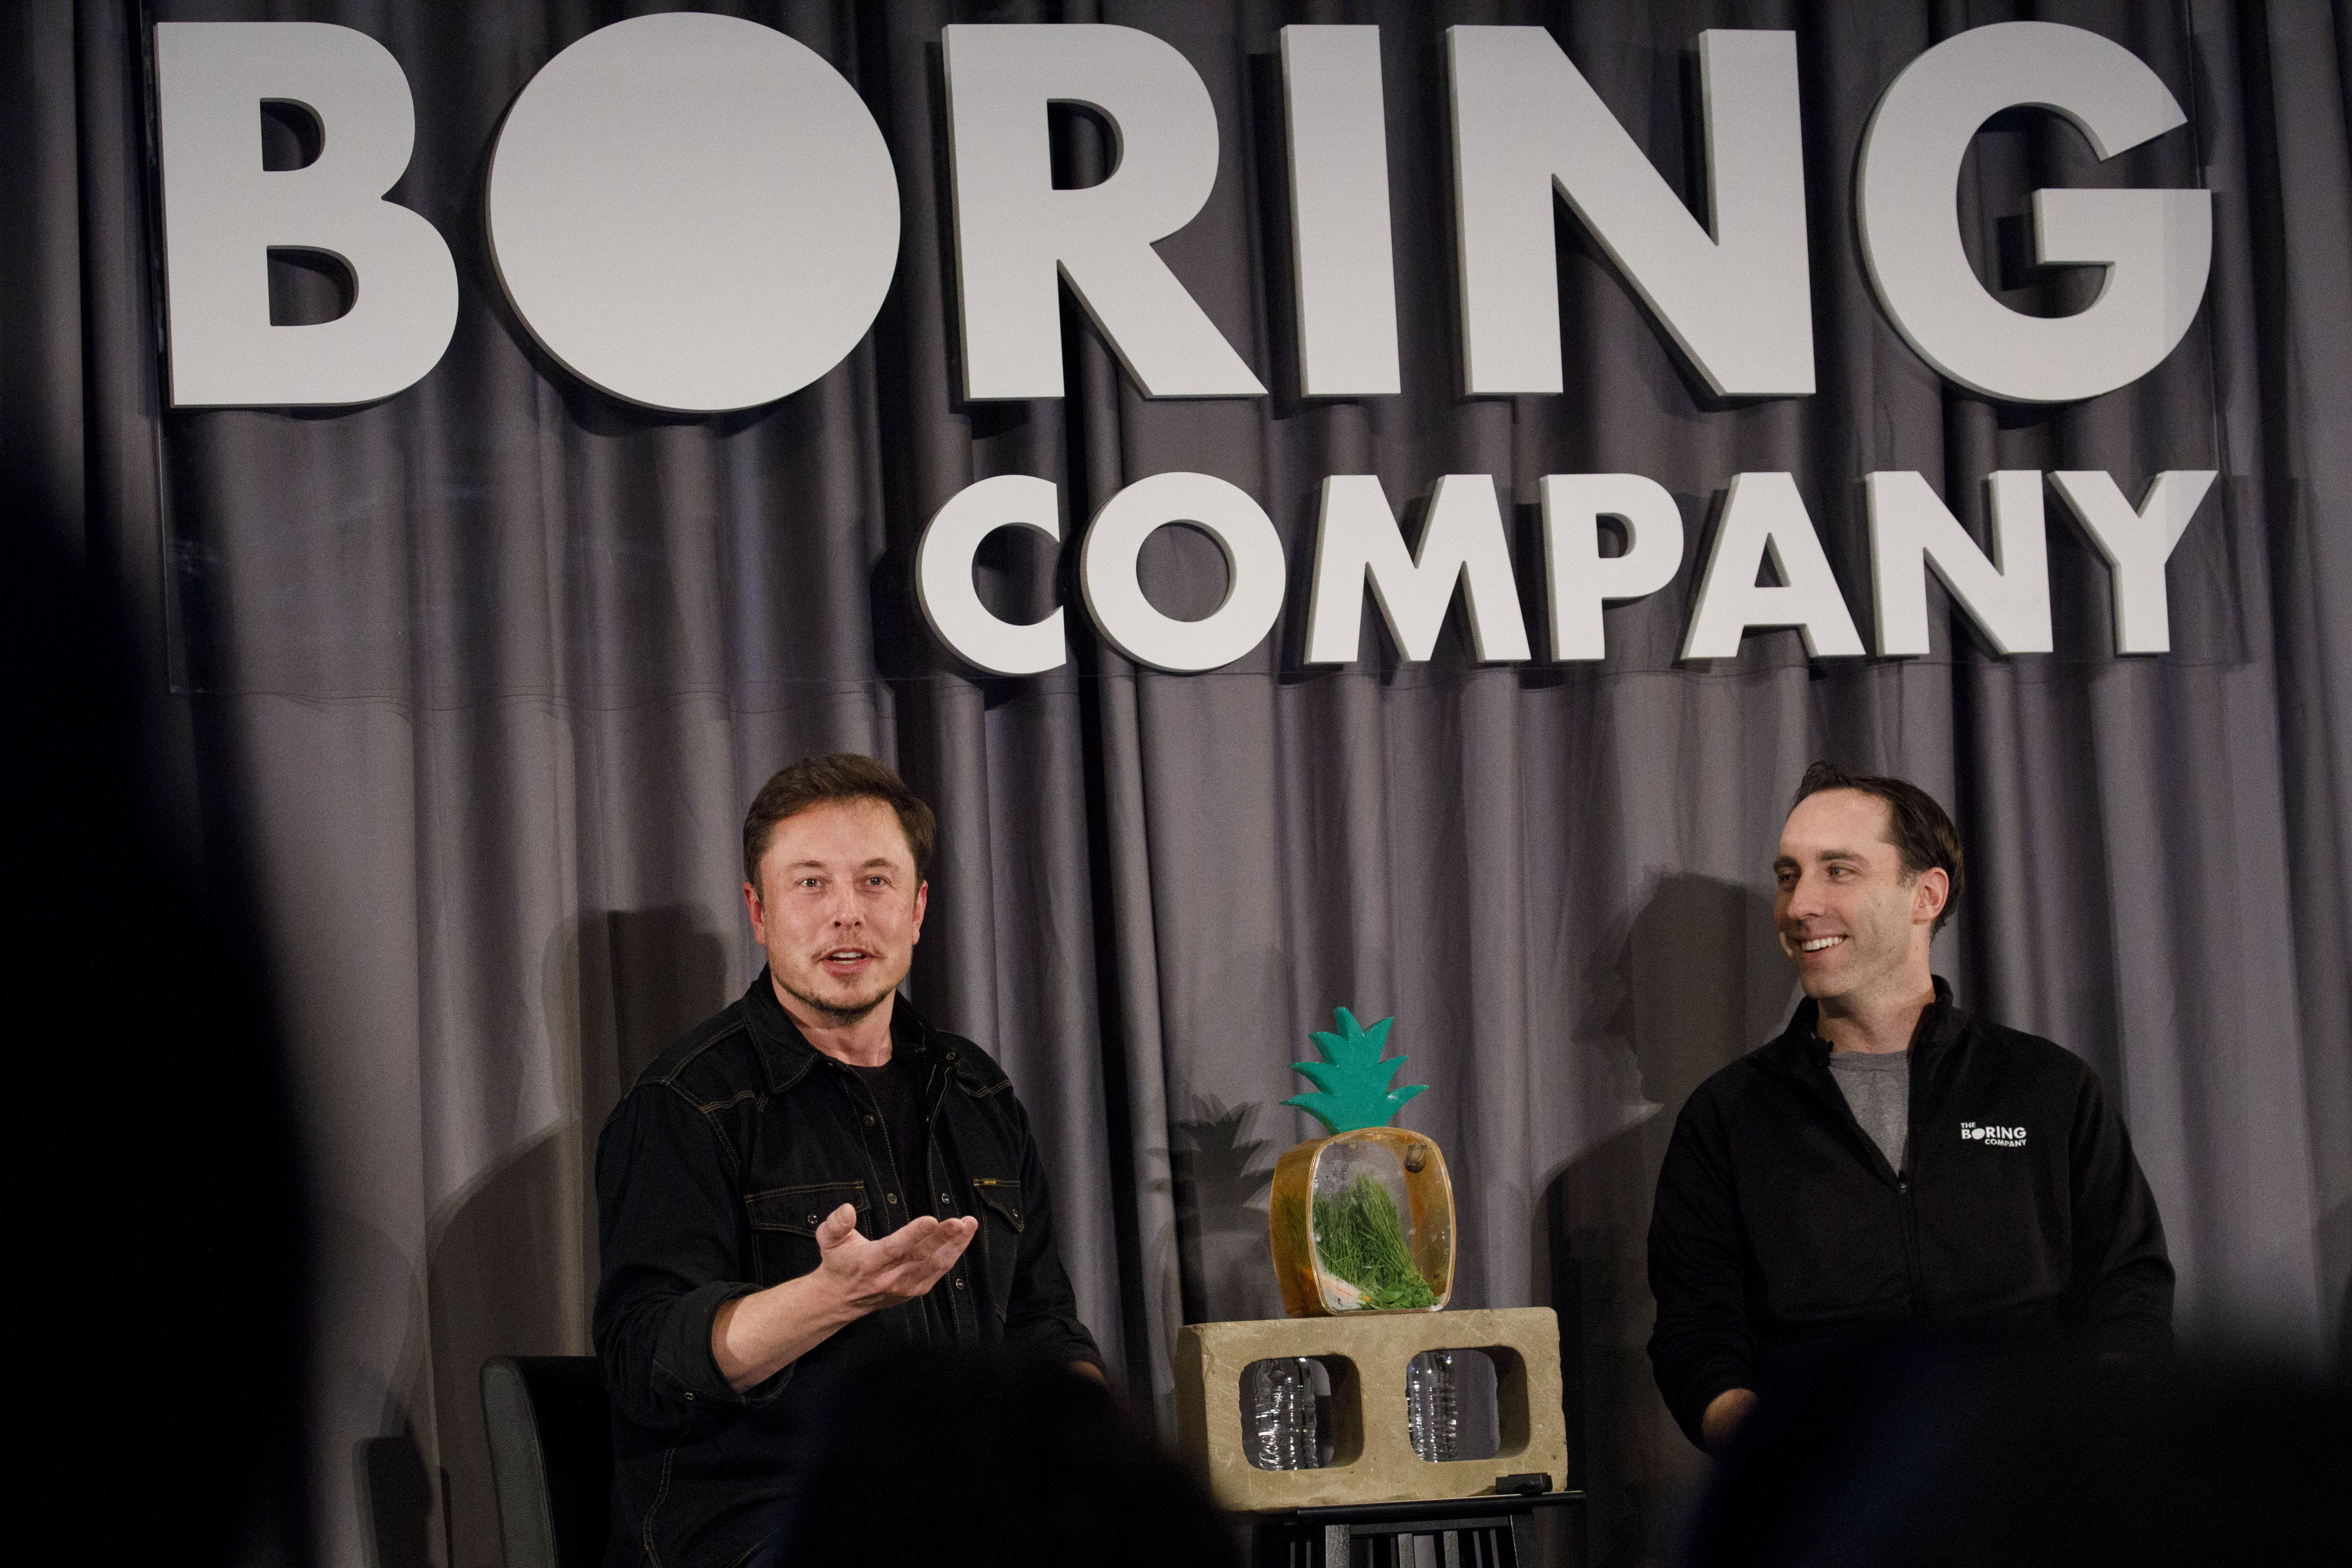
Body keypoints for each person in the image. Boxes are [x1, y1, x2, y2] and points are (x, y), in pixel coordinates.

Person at [593, 753, 1103, 1568]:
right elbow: (645, 1359)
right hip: (765, 1519)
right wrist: (831, 1296)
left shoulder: (977, 1092)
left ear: (917, 907)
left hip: (966, 1507)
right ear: (759, 912)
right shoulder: (687, 1103)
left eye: (874, 882)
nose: (846, 914)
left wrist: (1106, 1465)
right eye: (811, 884)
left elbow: (1044, 1327)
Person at [1645, 761, 2172, 1454]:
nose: (1798, 906)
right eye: (1788, 876)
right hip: (1828, 1504)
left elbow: (2126, 1293)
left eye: (1838, 871)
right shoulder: (1726, 1118)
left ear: (1926, 895)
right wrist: (1776, 1460)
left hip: (2036, 1490)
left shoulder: (2046, 1087)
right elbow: (1696, 1338)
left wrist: (2090, 1444)